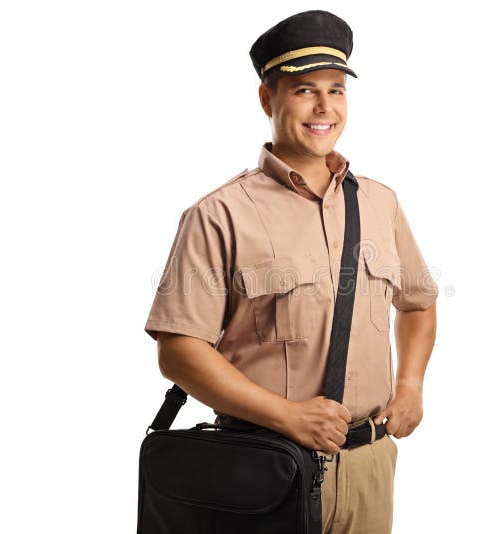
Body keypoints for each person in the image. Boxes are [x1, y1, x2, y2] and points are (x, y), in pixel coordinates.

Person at [143, 9, 437, 534]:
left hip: (370, 465)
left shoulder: (380, 203)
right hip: (263, 465)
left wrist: (410, 384)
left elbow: (418, 302)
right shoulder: (219, 214)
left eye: (336, 90)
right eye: (305, 90)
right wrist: (287, 416)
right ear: (267, 99)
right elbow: (179, 350)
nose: (325, 107)